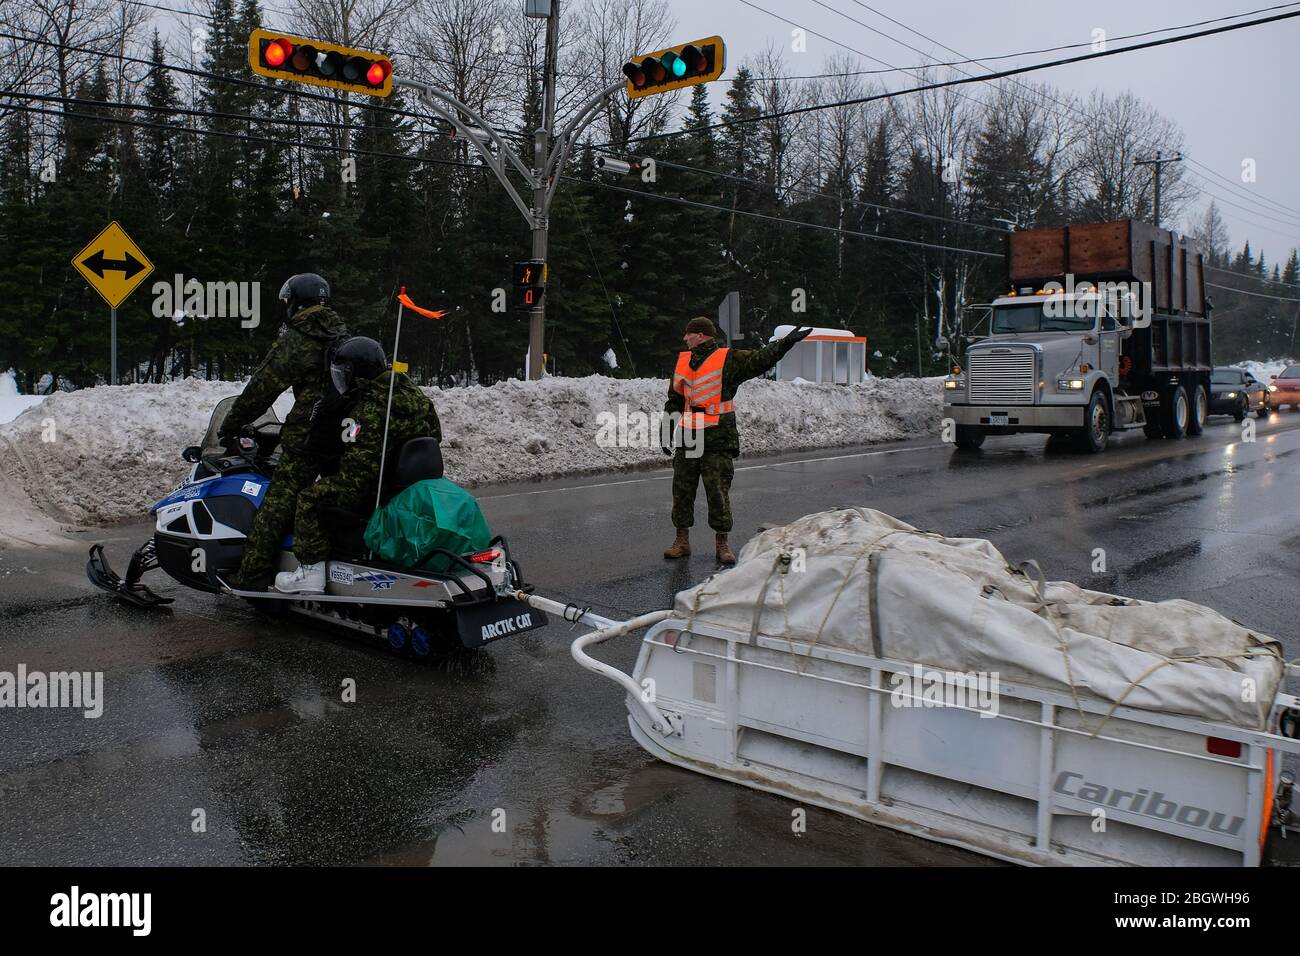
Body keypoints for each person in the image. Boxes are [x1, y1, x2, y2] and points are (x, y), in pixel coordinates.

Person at [274, 337, 442, 593]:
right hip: (407, 487)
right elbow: (435, 435)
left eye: (344, 374)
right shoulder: (415, 397)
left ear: (358, 373)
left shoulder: (369, 409)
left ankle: (310, 572)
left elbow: (358, 471)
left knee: (309, 498)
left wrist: (332, 475)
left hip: (376, 491)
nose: (341, 380)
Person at [221, 273, 348, 589]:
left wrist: (231, 425)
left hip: (309, 434)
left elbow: (261, 390)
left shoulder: (297, 339)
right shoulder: (342, 335)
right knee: (339, 498)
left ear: (296, 302)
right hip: (346, 432)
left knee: (278, 503)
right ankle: (344, 561)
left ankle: (252, 575)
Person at [663, 317, 812, 565]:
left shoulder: (727, 359)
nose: (684, 338)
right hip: (689, 437)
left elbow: (759, 360)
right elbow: (675, 399)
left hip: (718, 437)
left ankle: (722, 544)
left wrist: (785, 344)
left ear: (700, 335)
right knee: (682, 490)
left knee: (718, 493)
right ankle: (681, 541)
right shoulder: (683, 361)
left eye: (688, 334)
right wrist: (667, 426)